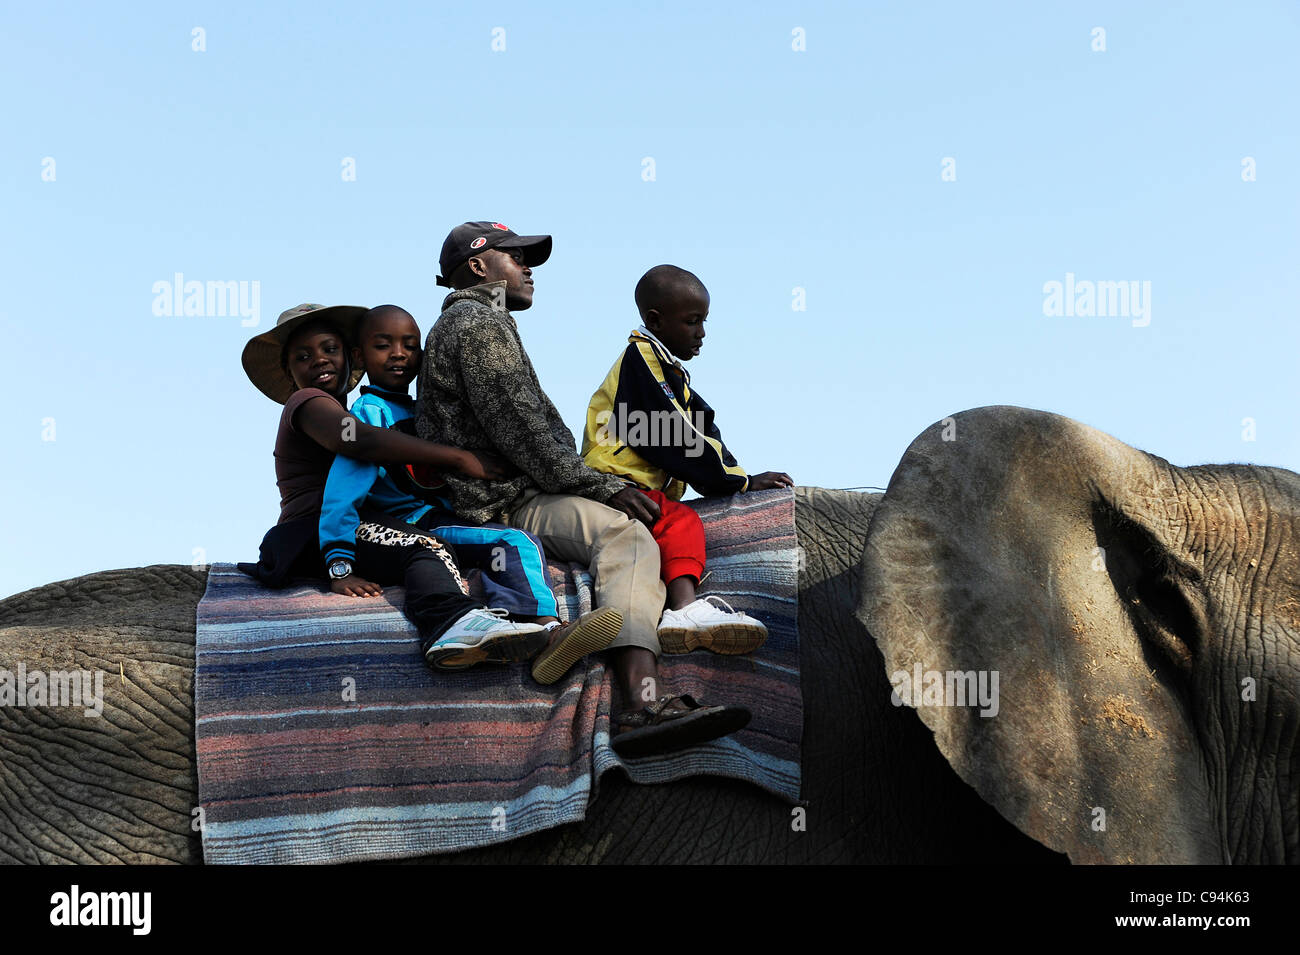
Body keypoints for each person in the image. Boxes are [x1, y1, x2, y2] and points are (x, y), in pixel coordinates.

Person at [416, 221, 751, 757]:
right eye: (516, 257)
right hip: (505, 504)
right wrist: (600, 486)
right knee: (628, 536)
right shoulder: (476, 324)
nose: (528, 269)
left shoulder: (477, 324)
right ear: (479, 266)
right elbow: (524, 430)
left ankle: (590, 640)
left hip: (519, 490)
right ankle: (642, 702)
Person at [238, 303, 558, 666]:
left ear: (348, 357)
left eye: (330, 349)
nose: (320, 360)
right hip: (312, 530)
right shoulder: (311, 402)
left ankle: (537, 627)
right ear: (288, 371)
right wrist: (339, 567)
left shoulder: (389, 410)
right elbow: (358, 442)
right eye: (303, 356)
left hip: (368, 523)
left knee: (490, 540)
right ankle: (450, 623)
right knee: (427, 545)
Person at [317, 303, 620, 678]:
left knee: (498, 542)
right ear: (360, 356)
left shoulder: (422, 411)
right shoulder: (368, 413)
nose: (399, 354)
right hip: (413, 522)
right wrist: (340, 563)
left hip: (443, 516)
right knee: (513, 542)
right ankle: (544, 626)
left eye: (410, 346)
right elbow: (342, 491)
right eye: (384, 345)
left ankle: (515, 624)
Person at [581, 264, 793, 653]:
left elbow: (702, 426)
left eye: (704, 321)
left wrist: (738, 474)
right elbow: (669, 434)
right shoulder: (641, 358)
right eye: (692, 321)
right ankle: (683, 608)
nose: (702, 332)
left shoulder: (668, 368)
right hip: (618, 481)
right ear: (655, 321)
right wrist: (739, 483)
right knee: (681, 523)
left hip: (643, 482)